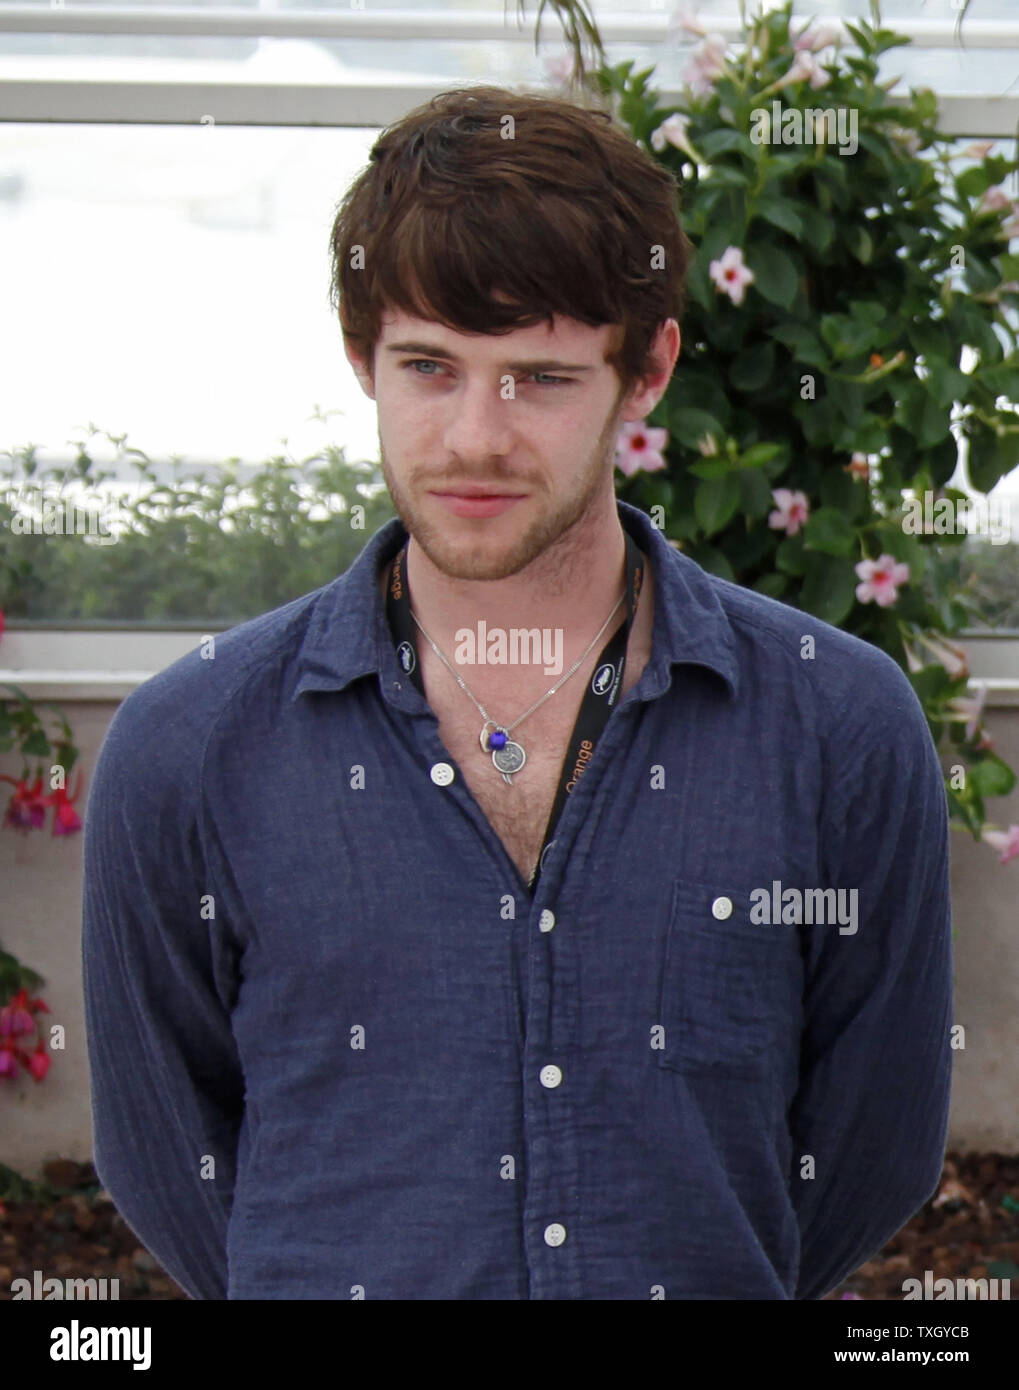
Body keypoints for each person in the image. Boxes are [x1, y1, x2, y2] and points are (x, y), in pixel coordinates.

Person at [82, 85, 952, 1300]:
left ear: (645, 373)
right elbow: (167, 1152)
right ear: (359, 360)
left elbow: (873, 1143)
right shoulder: (186, 749)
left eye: (537, 379)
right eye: (428, 366)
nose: (474, 437)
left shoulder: (838, 728)